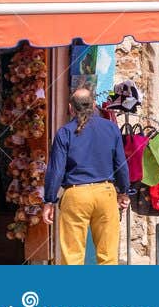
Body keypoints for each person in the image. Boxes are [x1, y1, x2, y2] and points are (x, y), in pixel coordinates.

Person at [43, 87, 130, 265]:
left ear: (70, 108)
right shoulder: (111, 128)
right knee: (108, 256)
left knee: (73, 257)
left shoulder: (65, 132)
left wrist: (49, 200)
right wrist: (124, 192)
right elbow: (121, 164)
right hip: (106, 193)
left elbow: (56, 170)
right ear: (94, 105)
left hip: (76, 195)